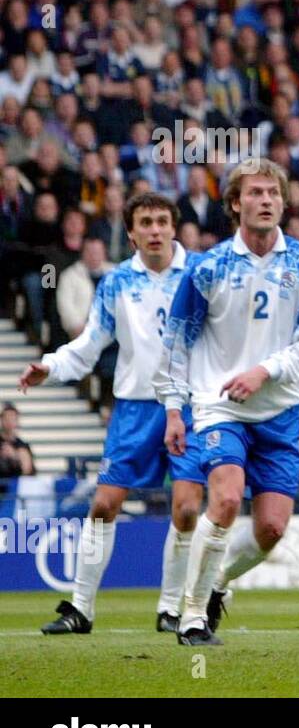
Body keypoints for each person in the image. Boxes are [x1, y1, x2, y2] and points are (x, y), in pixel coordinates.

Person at [155, 158, 299, 645]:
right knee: (227, 499)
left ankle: (216, 584)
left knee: (272, 529)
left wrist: (263, 371)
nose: (266, 200)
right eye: (255, 193)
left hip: (280, 411)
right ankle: (190, 616)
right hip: (219, 406)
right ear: (235, 204)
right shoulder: (208, 267)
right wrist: (173, 407)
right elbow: (177, 342)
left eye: (273, 192)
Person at [19, 193, 205, 634]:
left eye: (162, 221)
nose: (155, 229)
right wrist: (52, 365)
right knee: (103, 505)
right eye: (146, 222)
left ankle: (170, 609)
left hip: (193, 408)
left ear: (174, 227)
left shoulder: (202, 273)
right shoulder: (118, 282)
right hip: (135, 408)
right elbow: (89, 344)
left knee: (185, 510)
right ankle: (80, 610)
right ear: (131, 233)